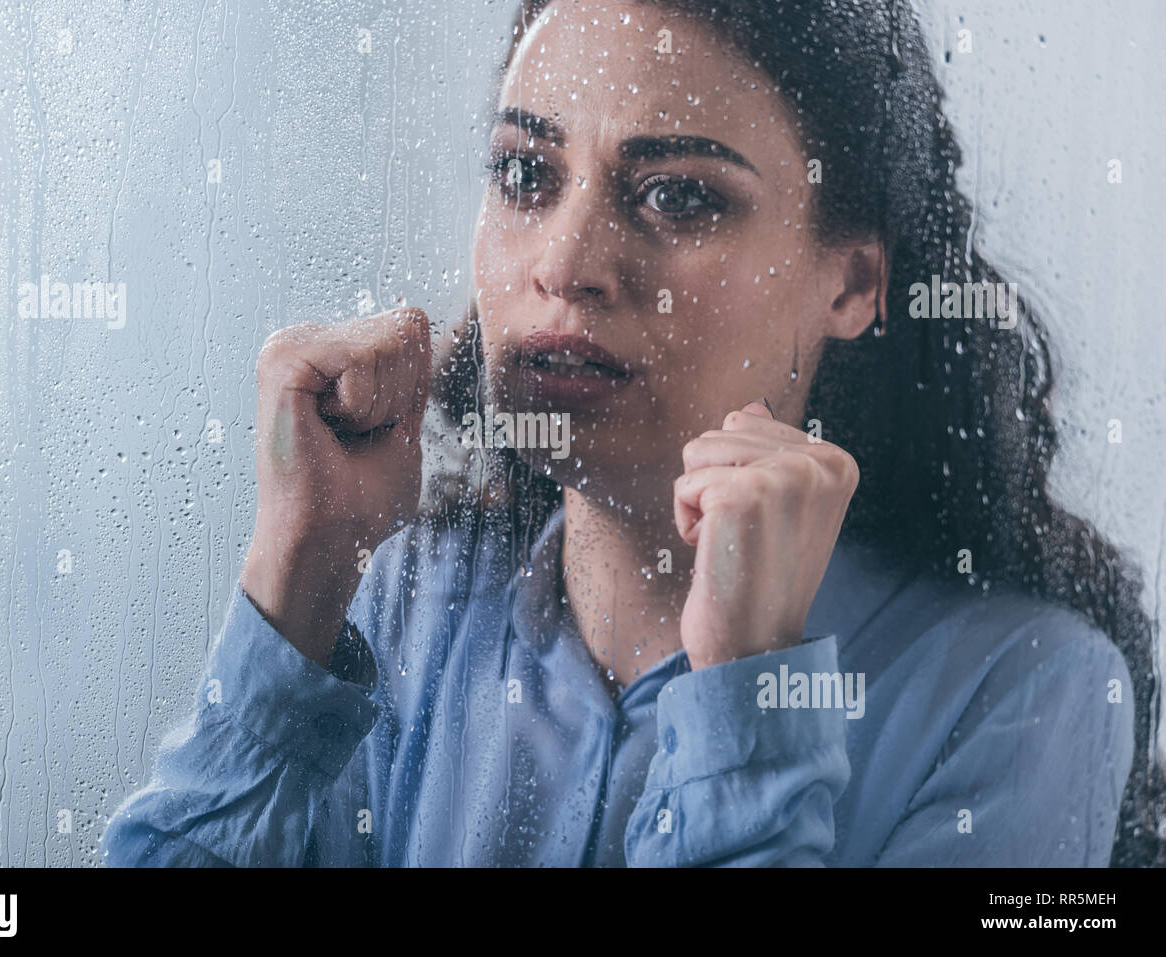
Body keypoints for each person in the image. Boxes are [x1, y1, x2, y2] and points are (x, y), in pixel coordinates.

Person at [101, 0, 1163, 867]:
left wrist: (750, 697)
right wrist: (294, 592)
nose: (565, 263)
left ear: (851, 282)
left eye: (677, 196)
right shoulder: (398, 609)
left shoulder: (1026, 690)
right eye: (525, 176)